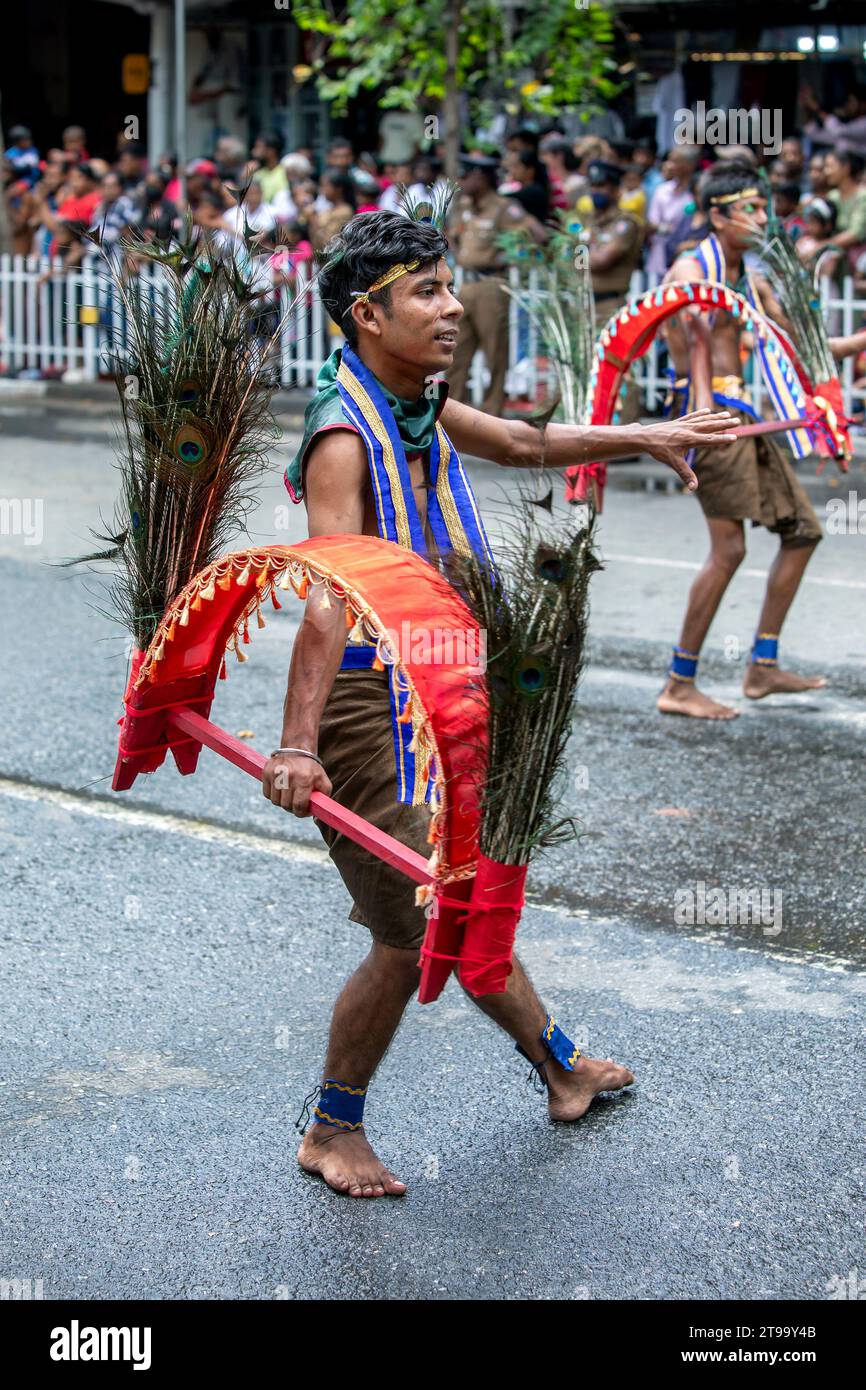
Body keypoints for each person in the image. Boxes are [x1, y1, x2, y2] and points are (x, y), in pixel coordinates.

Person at [266, 204, 739, 1197]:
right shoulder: (344, 439)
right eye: (426, 294)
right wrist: (296, 745)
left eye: (448, 287)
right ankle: (329, 1128)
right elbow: (325, 594)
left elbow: (525, 446)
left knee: (465, 897)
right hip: (366, 709)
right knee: (408, 931)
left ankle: (559, 1067)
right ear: (364, 316)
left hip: (442, 688)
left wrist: (644, 430)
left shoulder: (420, 400)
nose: (450, 309)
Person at [657, 162, 860, 721]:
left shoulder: (749, 276)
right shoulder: (690, 270)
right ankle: (679, 682)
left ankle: (761, 666)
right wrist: (697, 428)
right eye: (750, 208)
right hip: (711, 418)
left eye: (764, 207)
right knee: (730, 550)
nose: (762, 217)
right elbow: (691, 350)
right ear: (718, 215)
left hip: (744, 416)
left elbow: (799, 345)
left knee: (803, 531)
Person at [446, 153, 528, 416]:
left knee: (495, 352)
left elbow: (528, 236)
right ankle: (451, 411)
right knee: (455, 350)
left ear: (480, 177)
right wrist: (460, 254)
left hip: (491, 284)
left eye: (466, 176)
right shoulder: (463, 207)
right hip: (465, 284)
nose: (461, 181)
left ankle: (493, 411)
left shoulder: (504, 207)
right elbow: (452, 234)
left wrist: (502, 258)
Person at [645, 146, 700, 277]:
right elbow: (651, 223)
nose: (669, 166)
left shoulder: (696, 194)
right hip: (660, 257)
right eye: (669, 161)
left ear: (689, 166)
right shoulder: (662, 190)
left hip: (688, 259)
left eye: (675, 162)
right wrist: (666, 229)